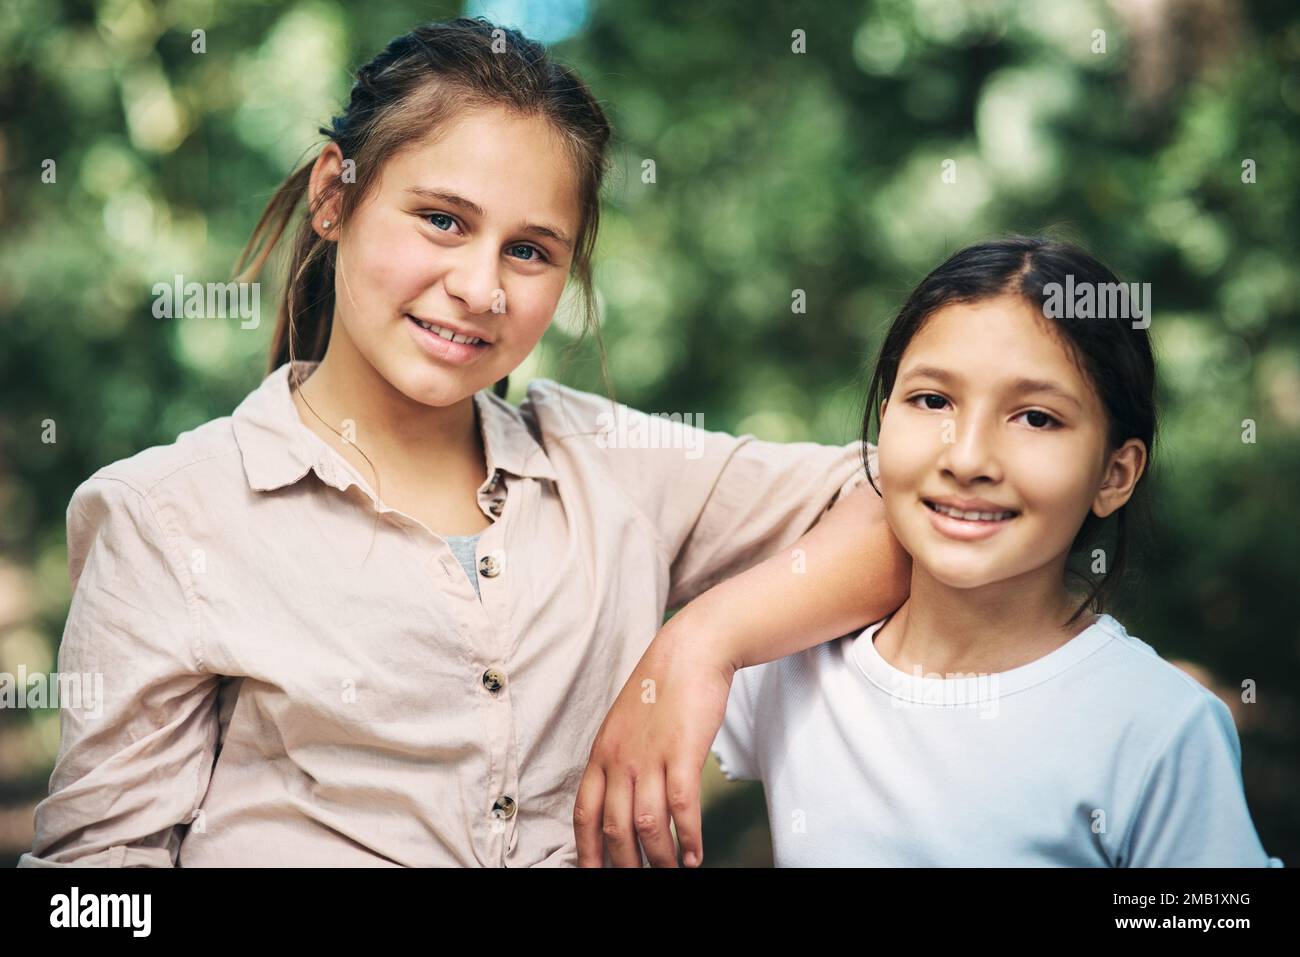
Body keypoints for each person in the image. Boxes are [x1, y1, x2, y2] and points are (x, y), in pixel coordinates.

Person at [19, 17, 909, 868]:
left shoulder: (615, 465)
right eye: (443, 219)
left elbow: (908, 502)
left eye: (529, 251)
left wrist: (698, 641)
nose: (480, 287)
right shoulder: (168, 515)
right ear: (335, 194)